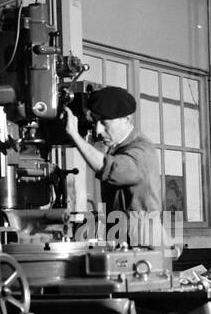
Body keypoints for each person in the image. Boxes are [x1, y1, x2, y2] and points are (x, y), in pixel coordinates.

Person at [63, 85, 162, 244]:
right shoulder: (118, 149)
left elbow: (110, 169)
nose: (98, 130)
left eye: (104, 122)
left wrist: (75, 135)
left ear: (126, 119)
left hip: (144, 244)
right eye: (95, 122)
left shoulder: (142, 151)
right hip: (123, 238)